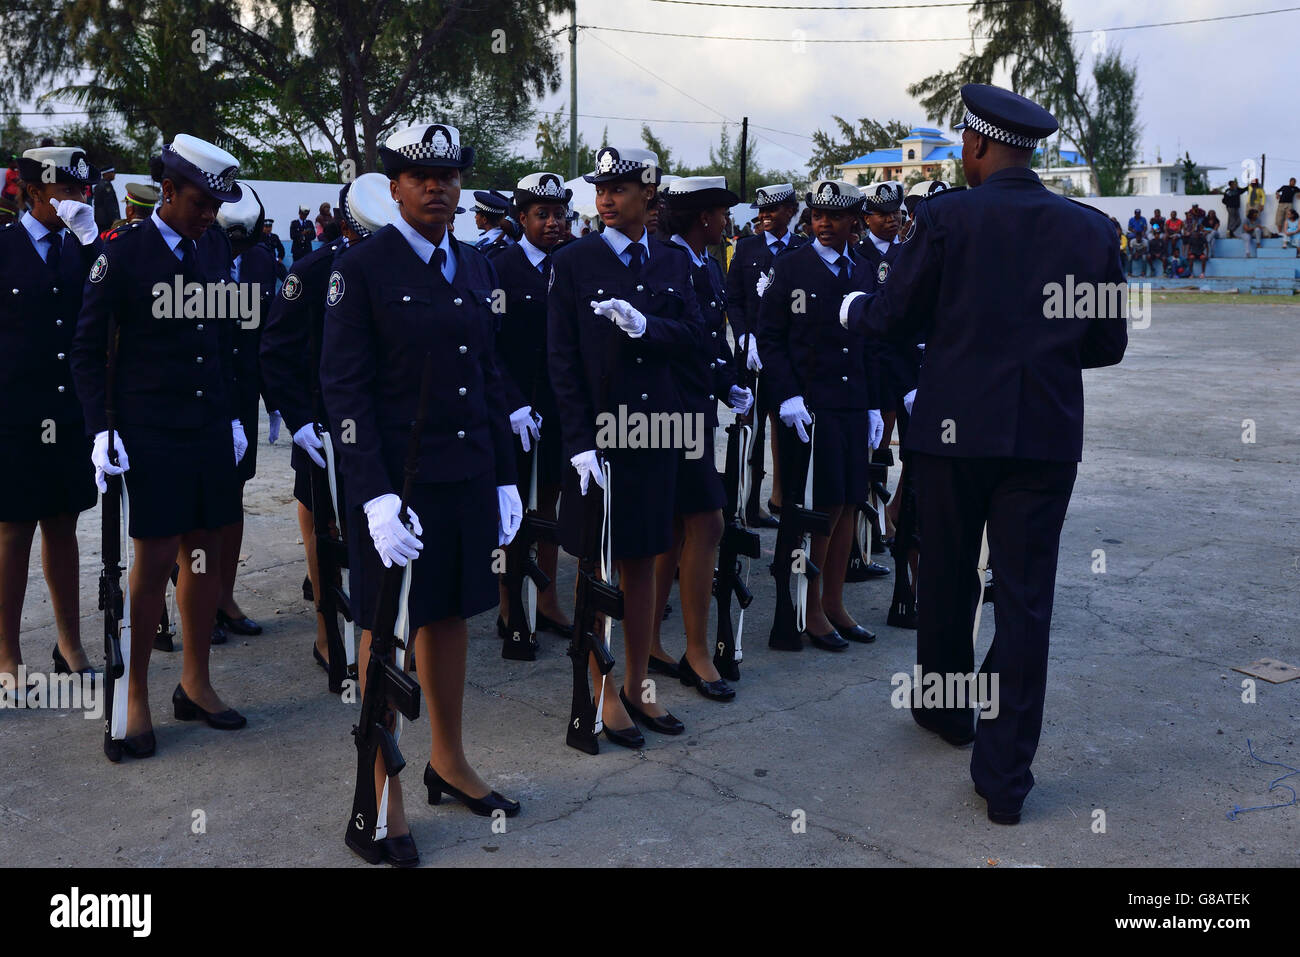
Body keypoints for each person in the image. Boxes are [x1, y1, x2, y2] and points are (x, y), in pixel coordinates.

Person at [841, 83, 1127, 825]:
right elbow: (1107, 344)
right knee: (1026, 603)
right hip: (1042, 440)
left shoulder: (945, 218)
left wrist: (854, 310)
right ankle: (1005, 782)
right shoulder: (1089, 231)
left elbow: (894, 316)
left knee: (945, 581)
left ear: (974, 146)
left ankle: (949, 711)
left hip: (952, 438)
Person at [321, 122, 523, 866]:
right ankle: (382, 791)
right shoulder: (361, 268)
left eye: (446, 173)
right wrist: (370, 495)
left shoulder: (474, 266)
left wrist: (504, 471)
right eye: (419, 174)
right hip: (395, 487)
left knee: (448, 616)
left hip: (464, 471)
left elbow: (490, 376)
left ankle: (449, 759)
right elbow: (342, 390)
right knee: (387, 628)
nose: (436, 185)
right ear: (395, 184)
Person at [71, 133, 254, 761]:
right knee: (150, 569)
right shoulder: (123, 254)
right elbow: (86, 350)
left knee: (204, 561)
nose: (211, 214)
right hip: (149, 432)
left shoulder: (215, 246)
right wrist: (100, 429)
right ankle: (134, 693)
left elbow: (221, 337)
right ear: (168, 192)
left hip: (206, 428)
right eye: (203, 202)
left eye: (217, 206)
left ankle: (195, 681)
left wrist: (231, 415)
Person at [549, 144, 703, 749]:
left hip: (655, 433)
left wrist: (648, 326)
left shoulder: (670, 258)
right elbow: (560, 358)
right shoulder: (576, 259)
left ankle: (638, 684)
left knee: (642, 561)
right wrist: (579, 441)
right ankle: (601, 689)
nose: (606, 198)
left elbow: (694, 335)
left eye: (619, 188)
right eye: (600, 188)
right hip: (600, 438)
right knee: (599, 566)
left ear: (649, 194)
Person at [260, 174, 396, 673]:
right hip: (322, 427)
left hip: (386, 425)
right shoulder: (315, 269)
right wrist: (297, 421)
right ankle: (326, 632)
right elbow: (276, 350)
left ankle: (385, 633)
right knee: (324, 524)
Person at [758, 178, 884, 652]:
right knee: (815, 507)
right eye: (817, 215)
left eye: (835, 216)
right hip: (808, 408)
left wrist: (873, 402)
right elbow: (769, 338)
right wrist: (787, 396)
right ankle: (805, 609)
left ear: (855, 220)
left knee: (850, 500)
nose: (825, 224)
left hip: (851, 404)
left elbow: (871, 341)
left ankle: (833, 602)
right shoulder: (791, 268)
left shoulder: (864, 271)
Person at [0, 145, 103, 688]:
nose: (77, 200)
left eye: (82, 190)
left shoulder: (82, 249)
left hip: (68, 413)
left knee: (64, 527)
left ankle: (69, 642)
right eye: (67, 190)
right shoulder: (4, 247)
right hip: (14, 414)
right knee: (12, 533)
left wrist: (90, 241)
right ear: (35, 192)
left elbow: (109, 300)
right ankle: (7, 655)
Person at [654, 175, 753, 698]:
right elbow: (681, 342)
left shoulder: (707, 264)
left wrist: (729, 385)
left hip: (696, 409)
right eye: (721, 212)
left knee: (676, 529)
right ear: (704, 217)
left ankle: (653, 642)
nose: (727, 222)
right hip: (670, 413)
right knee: (706, 524)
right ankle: (695, 651)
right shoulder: (668, 261)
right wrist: (719, 380)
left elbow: (711, 340)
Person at [211, 182, 280, 645]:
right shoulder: (193, 257)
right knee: (194, 506)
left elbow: (270, 332)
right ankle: (186, 605)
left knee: (233, 498)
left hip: (243, 394)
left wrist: (273, 401)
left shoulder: (263, 262)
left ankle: (225, 597)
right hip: (200, 397)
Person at [724, 183, 806, 528]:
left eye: (773, 209)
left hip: (788, 355)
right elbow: (734, 299)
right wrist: (744, 337)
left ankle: (786, 498)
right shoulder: (747, 249)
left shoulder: (803, 249)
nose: (766, 216)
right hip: (752, 354)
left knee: (787, 427)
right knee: (751, 431)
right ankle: (749, 500)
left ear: (791, 209)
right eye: (763, 210)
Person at [470, 189, 514, 257]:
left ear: (484, 219)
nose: (475, 217)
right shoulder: (502, 236)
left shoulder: (489, 242)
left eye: (476, 214)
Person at [92, 166, 120, 234]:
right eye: (112, 172)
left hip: (101, 219)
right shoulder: (106, 186)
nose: (114, 174)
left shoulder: (99, 184)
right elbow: (110, 204)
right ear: (106, 174)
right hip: (106, 221)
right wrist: (115, 219)